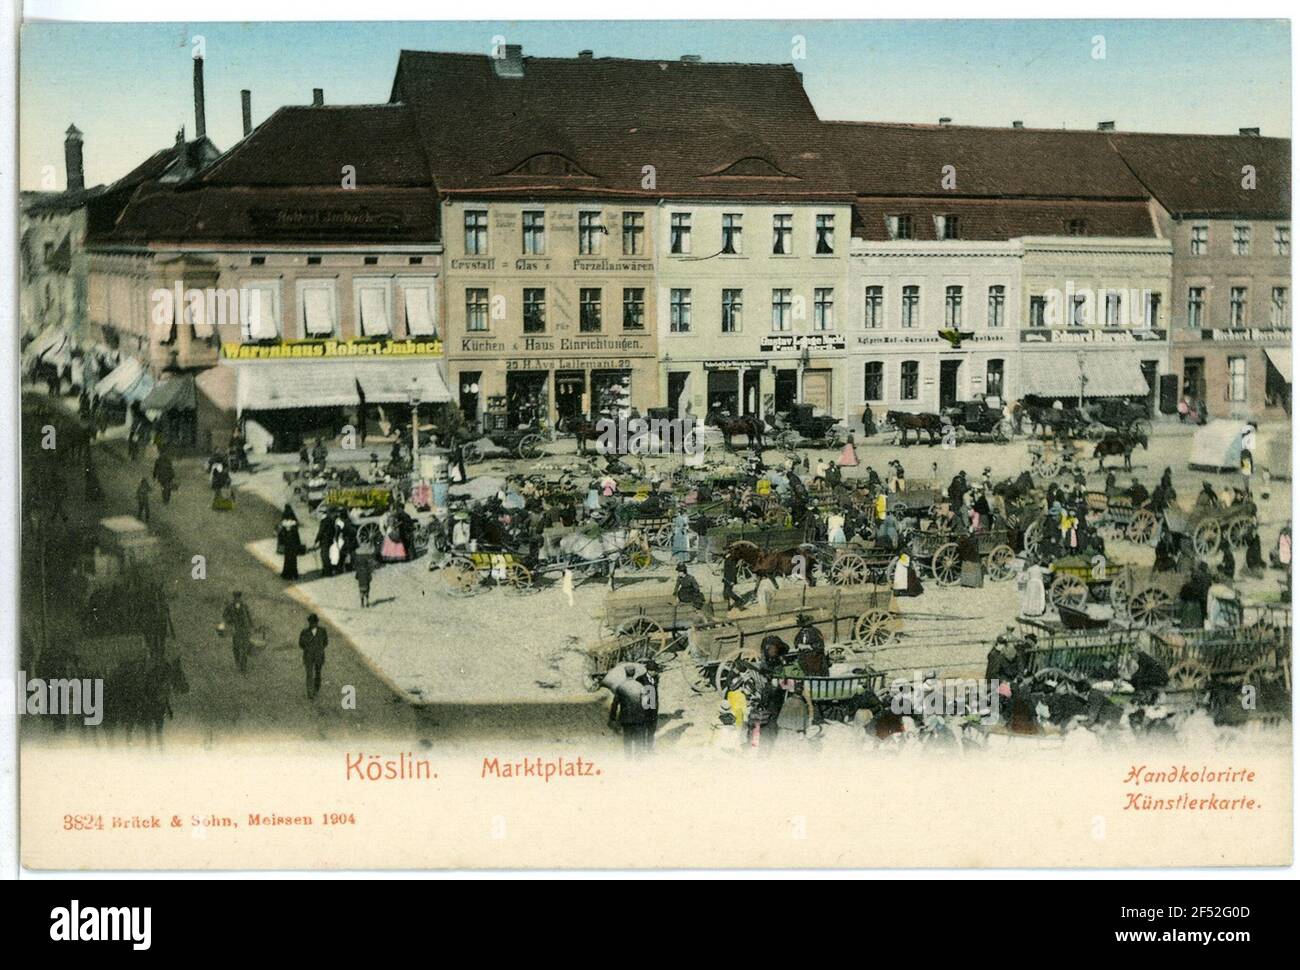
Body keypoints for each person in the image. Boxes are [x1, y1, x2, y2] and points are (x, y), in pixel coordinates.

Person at [608, 665, 651, 756]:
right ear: (634, 673)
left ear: (625, 673)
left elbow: (615, 704)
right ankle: (638, 764)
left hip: (626, 719)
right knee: (639, 743)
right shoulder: (640, 686)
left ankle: (628, 762)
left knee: (627, 742)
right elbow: (646, 704)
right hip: (639, 718)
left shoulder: (621, 687)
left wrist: (612, 718)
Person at [223, 591, 254, 674]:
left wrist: (252, 627)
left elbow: (249, 617)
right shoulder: (231, 607)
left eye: (238, 597)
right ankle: (238, 662)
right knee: (236, 647)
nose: (237, 599)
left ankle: (243, 667)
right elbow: (225, 616)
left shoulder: (244, 606)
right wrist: (230, 622)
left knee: (243, 648)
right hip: (237, 630)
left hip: (244, 630)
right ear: (234, 598)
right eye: (236, 598)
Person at [299, 613, 328, 699]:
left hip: (319, 656)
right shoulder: (304, 632)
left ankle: (316, 689)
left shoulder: (322, 631)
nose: (312, 624)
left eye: (314, 622)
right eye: (311, 622)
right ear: (309, 623)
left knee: (318, 674)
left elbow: (325, 642)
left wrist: (319, 649)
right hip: (308, 656)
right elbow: (300, 644)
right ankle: (310, 693)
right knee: (309, 674)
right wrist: (308, 649)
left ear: (317, 622)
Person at [277, 504, 303, 580]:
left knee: (287, 559)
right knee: (293, 560)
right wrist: (298, 544)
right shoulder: (294, 524)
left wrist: (280, 543)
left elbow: (280, 535)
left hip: (287, 544)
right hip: (293, 544)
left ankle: (286, 574)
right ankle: (294, 574)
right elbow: (297, 536)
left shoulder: (283, 524)